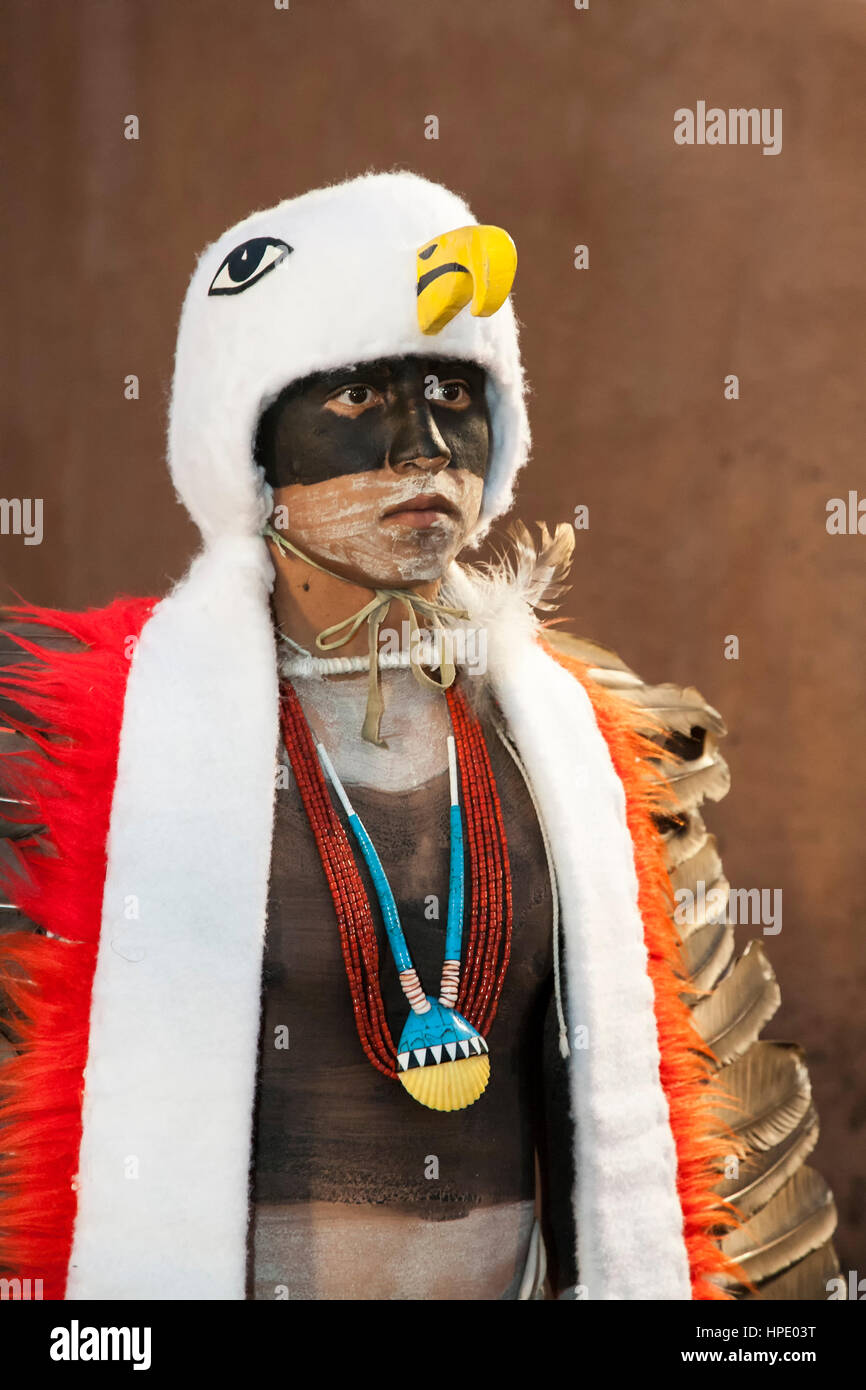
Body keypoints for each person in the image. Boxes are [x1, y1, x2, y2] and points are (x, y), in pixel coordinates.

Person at [0, 171, 837, 1300]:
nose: (423, 445)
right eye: (358, 401)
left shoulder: (575, 750)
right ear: (247, 449)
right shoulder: (117, 753)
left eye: (455, 392)